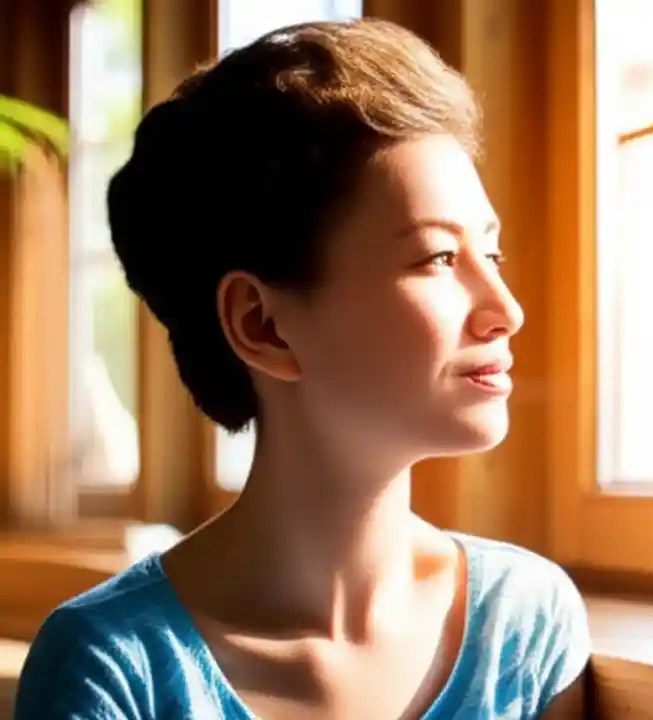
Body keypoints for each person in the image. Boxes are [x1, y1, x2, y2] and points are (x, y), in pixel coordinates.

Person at [14, 18, 589, 719]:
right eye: (438, 258)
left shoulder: (523, 626)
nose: (506, 309)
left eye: (490, 256)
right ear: (261, 324)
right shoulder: (112, 667)